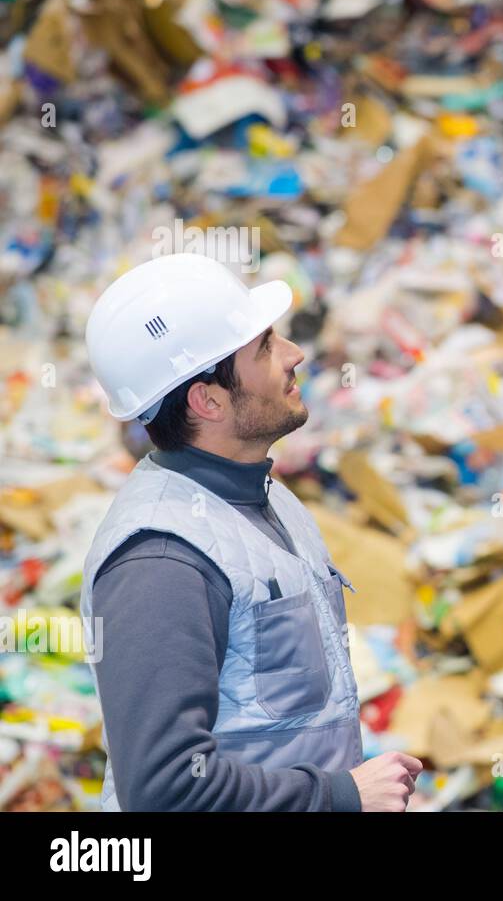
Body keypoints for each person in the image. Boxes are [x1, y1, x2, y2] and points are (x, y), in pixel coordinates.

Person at [81, 253, 422, 810]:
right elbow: (164, 787)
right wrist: (337, 796)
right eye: (264, 347)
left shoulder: (266, 496)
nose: (295, 355)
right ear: (207, 400)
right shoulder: (162, 561)